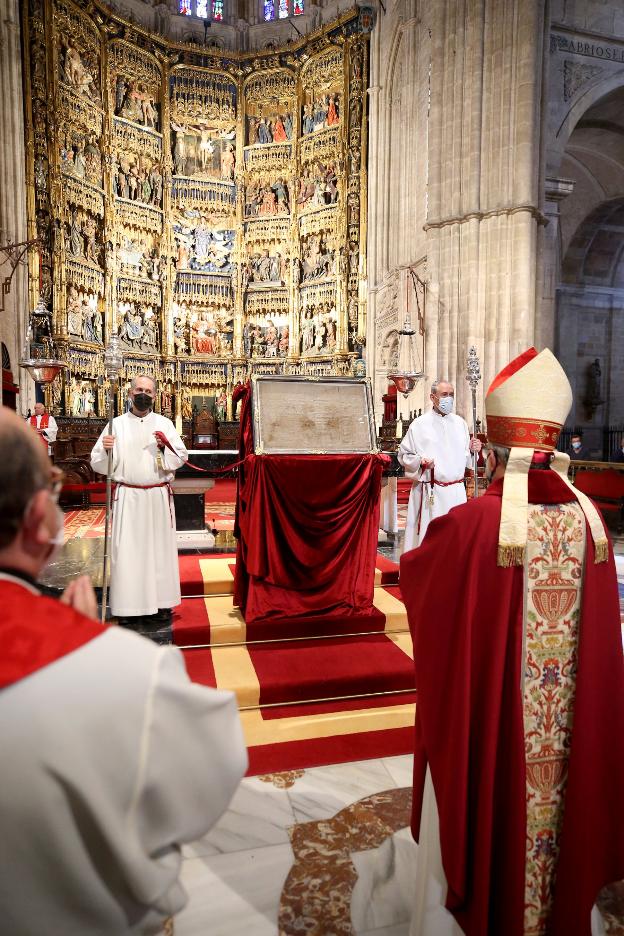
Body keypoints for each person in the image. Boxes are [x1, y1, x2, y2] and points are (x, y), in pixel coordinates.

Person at [401, 348, 624, 936]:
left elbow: (418, 581)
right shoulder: (594, 524)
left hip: (503, 753)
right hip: (568, 755)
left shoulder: (474, 526)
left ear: (495, 452)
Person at [0, 405, 247, 936]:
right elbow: (213, 769)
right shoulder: (120, 669)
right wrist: (85, 641)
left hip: (152, 501)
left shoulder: (162, 425)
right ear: (41, 518)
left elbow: (179, 460)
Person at [90, 374, 188, 626]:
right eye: (139, 390)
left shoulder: (165, 424)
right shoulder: (116, 425)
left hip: (157, 496)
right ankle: (128, 605)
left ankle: (163, 603)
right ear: (130, 393)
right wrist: (106, 449)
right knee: (128, 552)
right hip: (128, 497)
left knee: (159, 551)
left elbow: (180, 457)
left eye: (149, 391)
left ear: (155, 395)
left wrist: (165, 447)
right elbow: (98, 462)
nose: (143, 394)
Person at [398, 379, 482, 551]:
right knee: (430, 541)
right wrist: (420, 462)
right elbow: (404, 455)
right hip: (430, 491)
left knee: (454, 540)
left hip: (457, 492)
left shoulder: (461, 424)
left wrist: (474, 450)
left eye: (451, 395)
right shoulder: (419, 425)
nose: (449, 398)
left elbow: (469, 460)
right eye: (445, 395)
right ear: (432, 397)